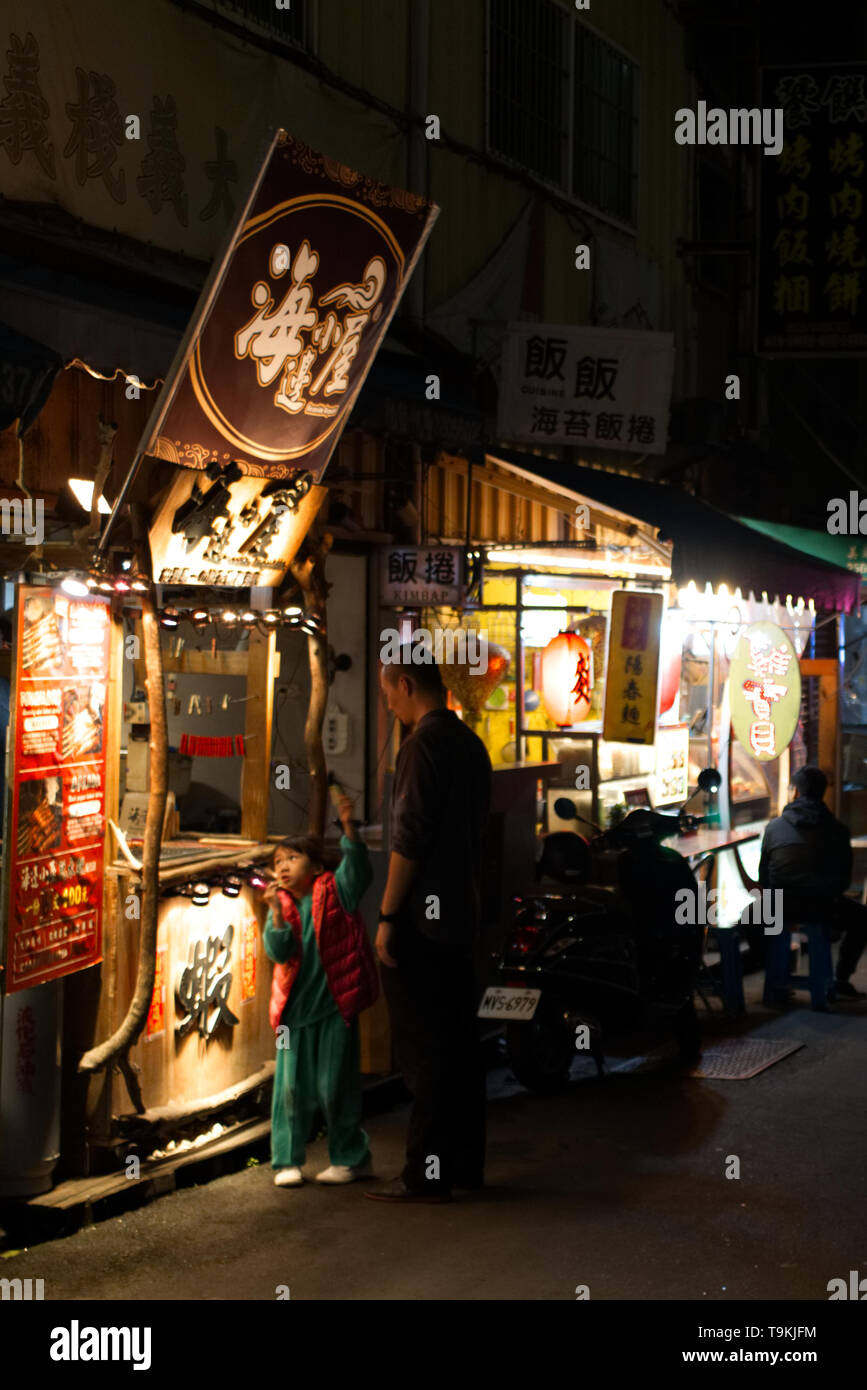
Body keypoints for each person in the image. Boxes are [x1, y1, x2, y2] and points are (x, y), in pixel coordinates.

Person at [366, 652, 492, 1204]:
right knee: (461, 1046)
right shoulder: (471, 743)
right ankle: (463, 1167)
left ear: (408, 684)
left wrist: (389, 915)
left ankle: (426, 1174)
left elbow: (409, 840)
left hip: (423, 918)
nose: (386, 703)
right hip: (461, 915)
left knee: (424, 1050)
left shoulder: (422, 746)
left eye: (388, 692)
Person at [261, 796, 379, 1187]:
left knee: (334, 1087)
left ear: (315, 866)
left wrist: (348, 826)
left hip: (334, 1007)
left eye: (291, 859)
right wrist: (275, 916)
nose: (282, 867)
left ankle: (351, 1157)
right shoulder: (278, 904)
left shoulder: (334, 890)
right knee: (289, 1091)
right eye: (277, 862)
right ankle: (286, 1162)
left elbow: (359, 870)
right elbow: (278, 951)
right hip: (292, 1012)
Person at [759, 765, 867, 1000]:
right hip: (824, 907)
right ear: (822, 794)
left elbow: (764, 877)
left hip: (781, 907)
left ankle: (778, 978)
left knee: (745, 919)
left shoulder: (774, 828)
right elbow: (843, 880)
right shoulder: (838, 830)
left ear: (795, 792)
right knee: (862, 918)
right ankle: (841, 978)